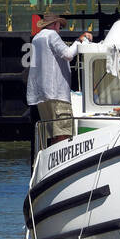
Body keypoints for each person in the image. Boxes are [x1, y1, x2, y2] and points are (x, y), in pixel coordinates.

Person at [26, 14, 92, 146]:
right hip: (57, 93)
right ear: (55, 24)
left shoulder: (37, 38)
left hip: (41, 95)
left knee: (52, 133)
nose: (60, 29)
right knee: (64, 133)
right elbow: (67, 54)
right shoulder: (52, 35)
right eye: (60, 26)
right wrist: (80, 41)